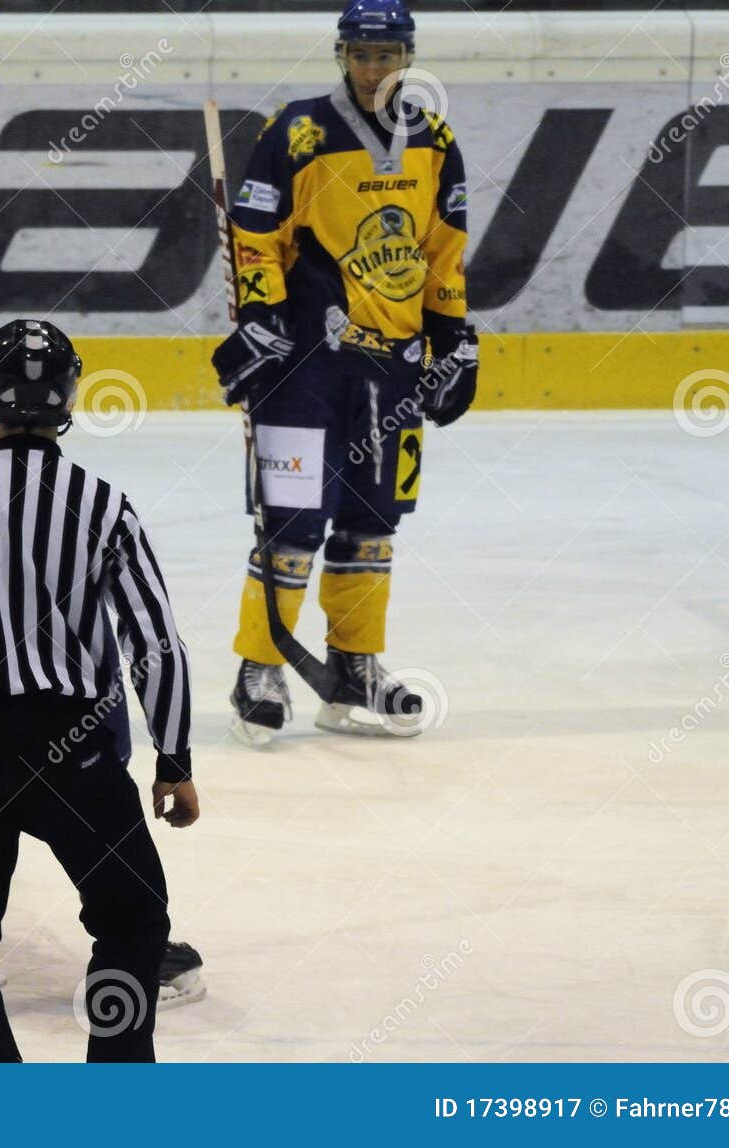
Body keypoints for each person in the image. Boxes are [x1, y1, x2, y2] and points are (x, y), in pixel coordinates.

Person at [0, 319, 198, 1062]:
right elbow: (156, 643)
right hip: (73, 753)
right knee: (132, 920)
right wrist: (175, 757)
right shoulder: (102, 503)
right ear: (69, 398)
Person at [212, 0, 476, 747]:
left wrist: (454, 335)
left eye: (387, 55)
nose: (373, 69)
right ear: (341, 56)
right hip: (305, 366)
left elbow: (445, 247)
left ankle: (354, 665)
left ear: (408, 56)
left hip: (392, 368)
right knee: (292, 526)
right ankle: (259, 668)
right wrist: (263, 315)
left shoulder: (434, 135)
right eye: (361, 55)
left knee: (372, 523)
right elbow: (255, 238)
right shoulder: (297, 130)